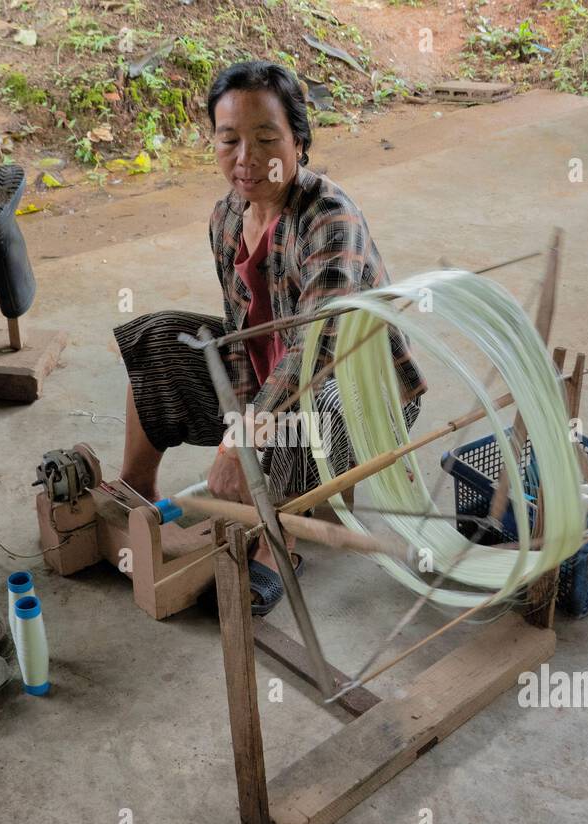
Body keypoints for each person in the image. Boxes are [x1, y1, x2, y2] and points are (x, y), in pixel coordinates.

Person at [113, 60, 426, 613]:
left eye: (266, 139)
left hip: (355, 390)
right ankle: (136, 491)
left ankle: (277, 547)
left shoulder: (329, 218)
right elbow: (238, 333)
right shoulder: (227, 216)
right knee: (163, 338)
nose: (246, 158)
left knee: (316, 402)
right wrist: (238, 419)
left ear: (299, 143)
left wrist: (242, 440)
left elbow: (315, 349)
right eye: (229, 139)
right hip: (270, 378)